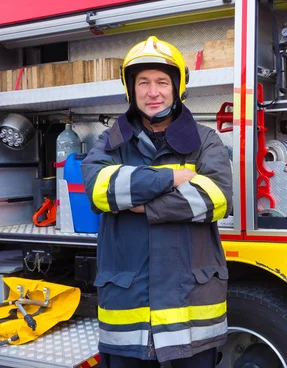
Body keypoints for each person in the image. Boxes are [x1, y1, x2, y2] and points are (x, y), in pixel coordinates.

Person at [81, 36, 233, 368]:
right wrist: (172, 178)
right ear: (130, 90)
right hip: (127, 324)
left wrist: (142, 204)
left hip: (192, 323)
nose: (153, 92)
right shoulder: (110, 141)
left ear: (177, 87)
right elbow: (99, 189)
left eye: (162, 82)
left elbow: (217, 198)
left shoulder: (205, 140)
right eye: (144, 82)